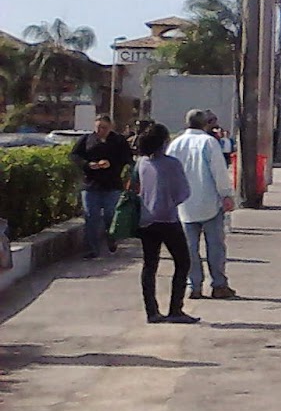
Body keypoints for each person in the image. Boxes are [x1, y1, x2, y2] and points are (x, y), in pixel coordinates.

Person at [129, 123, 199, 324]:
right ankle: (175, 309)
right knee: (183, 261)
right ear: (163, 142)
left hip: (146, 220)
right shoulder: (172, 164)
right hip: (168, 219)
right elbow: (183, 193)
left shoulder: (141, 163)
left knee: (150, 265)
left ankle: (152, 311)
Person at [168, 109, 237, 299]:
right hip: (209, 203)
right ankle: (219, 285)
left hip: (184, 206)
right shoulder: (209, 142)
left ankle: (194, 286)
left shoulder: (175, 144)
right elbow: (219, 172)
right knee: (215, 247)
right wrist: (226, 195)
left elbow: (169, 173)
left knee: (190, 249)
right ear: (205, 124)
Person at [69, 114, 133, 259]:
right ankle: (92, 249)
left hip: (112, 185)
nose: (101, 130)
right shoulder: (86, 140)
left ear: (110, 127)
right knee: (91, 217)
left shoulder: (118, 140)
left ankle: (111, 238)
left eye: (104, 127)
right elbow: (74, 156)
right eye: (98, 127)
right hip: (91, 185)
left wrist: (112, 164)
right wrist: (88, 165)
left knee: (111, 215)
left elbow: (127, 158)